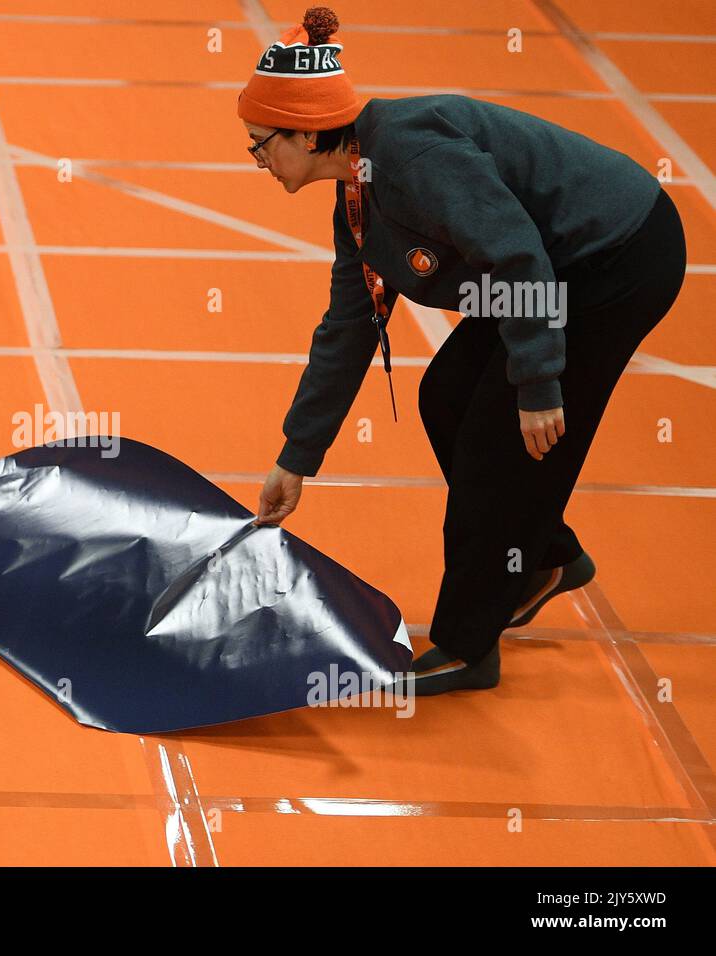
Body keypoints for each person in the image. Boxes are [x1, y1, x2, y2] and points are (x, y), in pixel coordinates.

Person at [241, 7, 685, 694]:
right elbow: (347, 329)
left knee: (500, 440)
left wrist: (539, 383)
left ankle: (467, 645)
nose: (258, 161)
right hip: (539, 271)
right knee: (446, 396)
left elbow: (515, 251)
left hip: (613, 258)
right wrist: (296, 458)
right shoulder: (355, 199)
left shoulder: (412, 156)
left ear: (305, 129)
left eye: (261, 144)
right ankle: (545, 558)